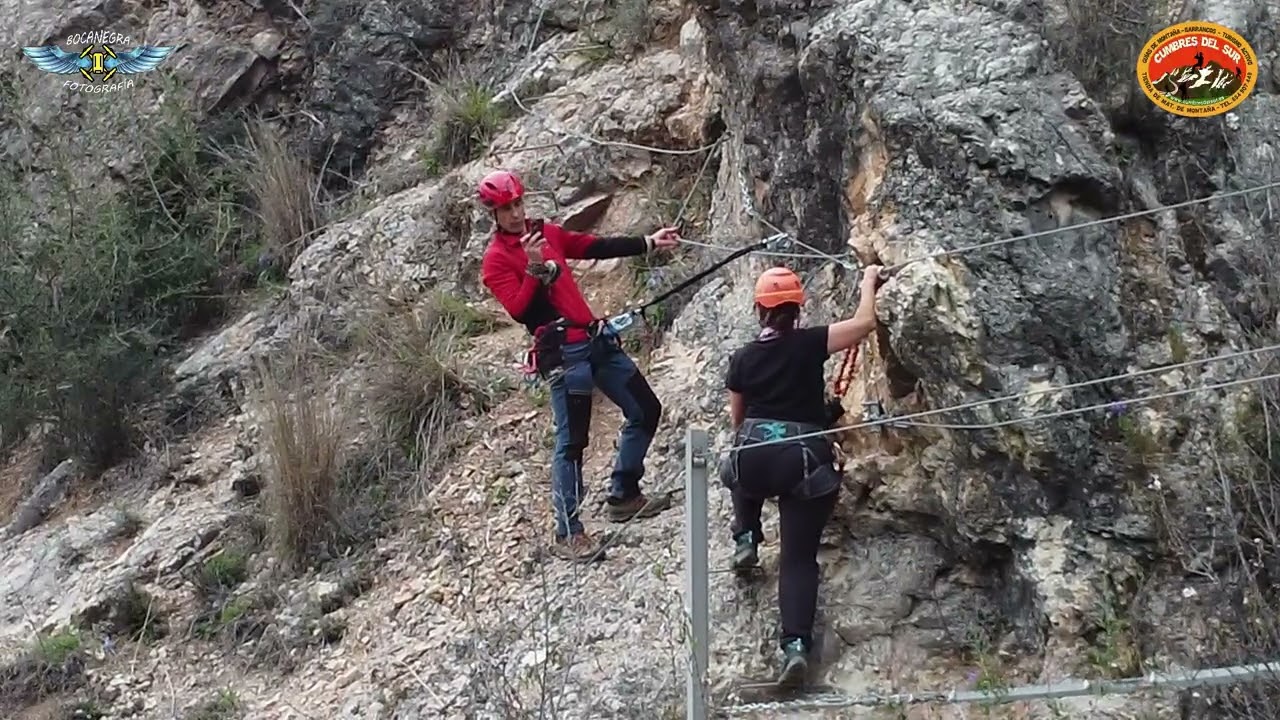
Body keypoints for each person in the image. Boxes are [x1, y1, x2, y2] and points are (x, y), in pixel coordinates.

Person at [477, 169, 681, 563]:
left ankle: (624, 493)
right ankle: (568, 532)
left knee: (645, 409)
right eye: (507, 209)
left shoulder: (547, 233)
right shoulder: (496, 261)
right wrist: (536, 269)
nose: (517, 214)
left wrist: (648, 243)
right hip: (564, 355)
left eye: (518, 203)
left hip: (594, 340)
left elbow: (592, 246)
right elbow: (522, 311)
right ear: (494, 214)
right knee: (572, 443)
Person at [720, 263, 884, 686]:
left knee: (744, 459)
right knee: (796, 558)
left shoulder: (742, 358)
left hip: (755, 455)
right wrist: (868, 281)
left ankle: (746, 535)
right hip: (804, 459)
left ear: (759, 309)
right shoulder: (811, 343)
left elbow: (738, 422)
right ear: (799, 307)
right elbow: (865, 323)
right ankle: (794, 646)